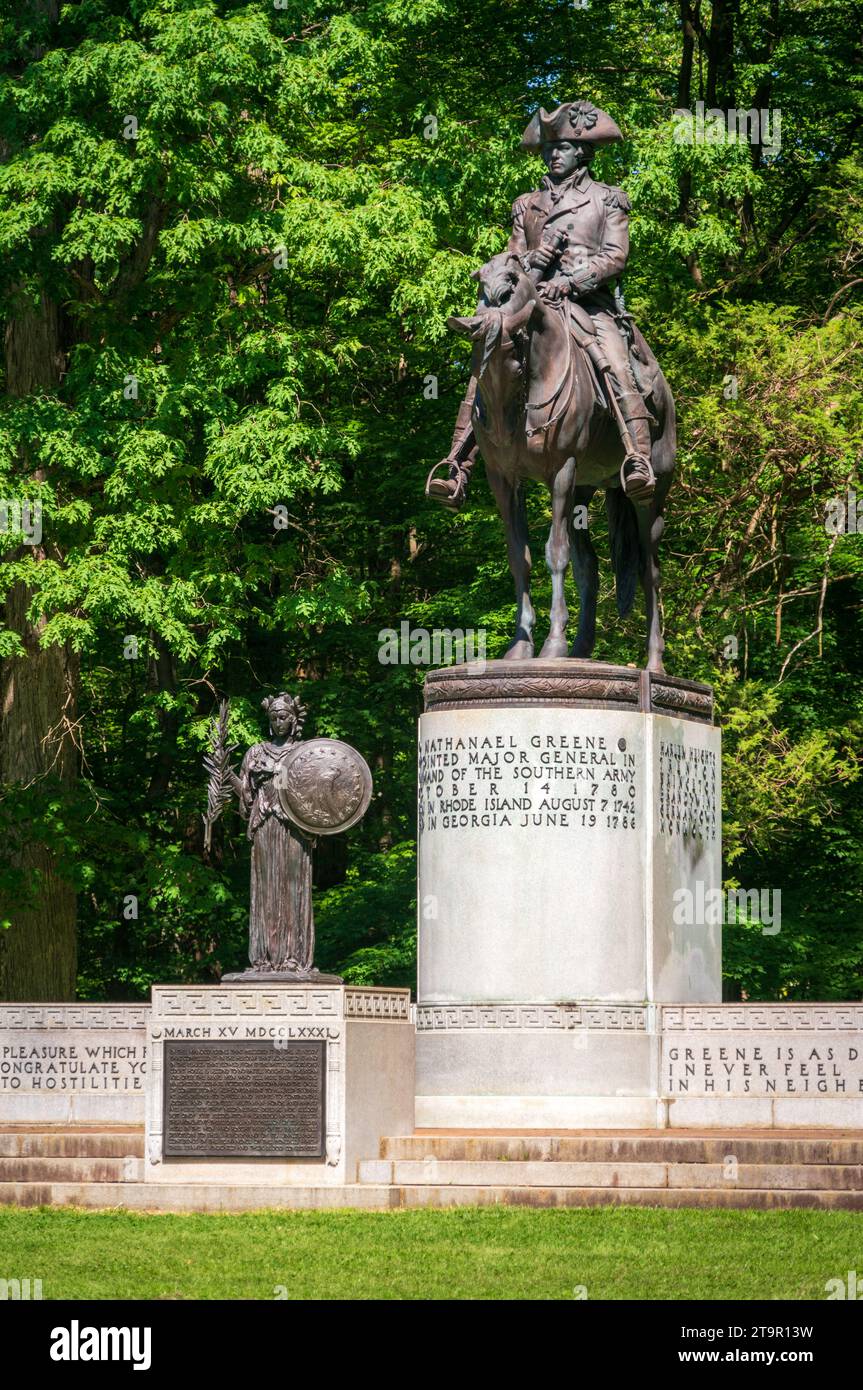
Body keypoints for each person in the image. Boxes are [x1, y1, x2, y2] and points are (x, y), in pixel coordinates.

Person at [427, 100, 656, 510]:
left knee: (617, 363)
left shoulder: (608, 199)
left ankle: (638, 458)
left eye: (562, 148)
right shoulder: (526, 204)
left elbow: (615, 256)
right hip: (532, 307)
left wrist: (570, 282)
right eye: (549, 149)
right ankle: (458, 466)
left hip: (590, 304)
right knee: (486, 360)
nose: (553, 156)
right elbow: (515, 261)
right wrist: (538, 260)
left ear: (582, 153)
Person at [237, 692, 314, 973]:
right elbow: (245, 795)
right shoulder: (255, 752)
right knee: (265, 888)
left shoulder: (305, 753)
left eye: (284, 717)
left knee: (292, 888)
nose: (279, 722)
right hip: (264, 824)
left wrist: (275, 773)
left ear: (293, 720)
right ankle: (263, 959)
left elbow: (311, 793)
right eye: (274, 718)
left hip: (294, 828)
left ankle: (294, 956)